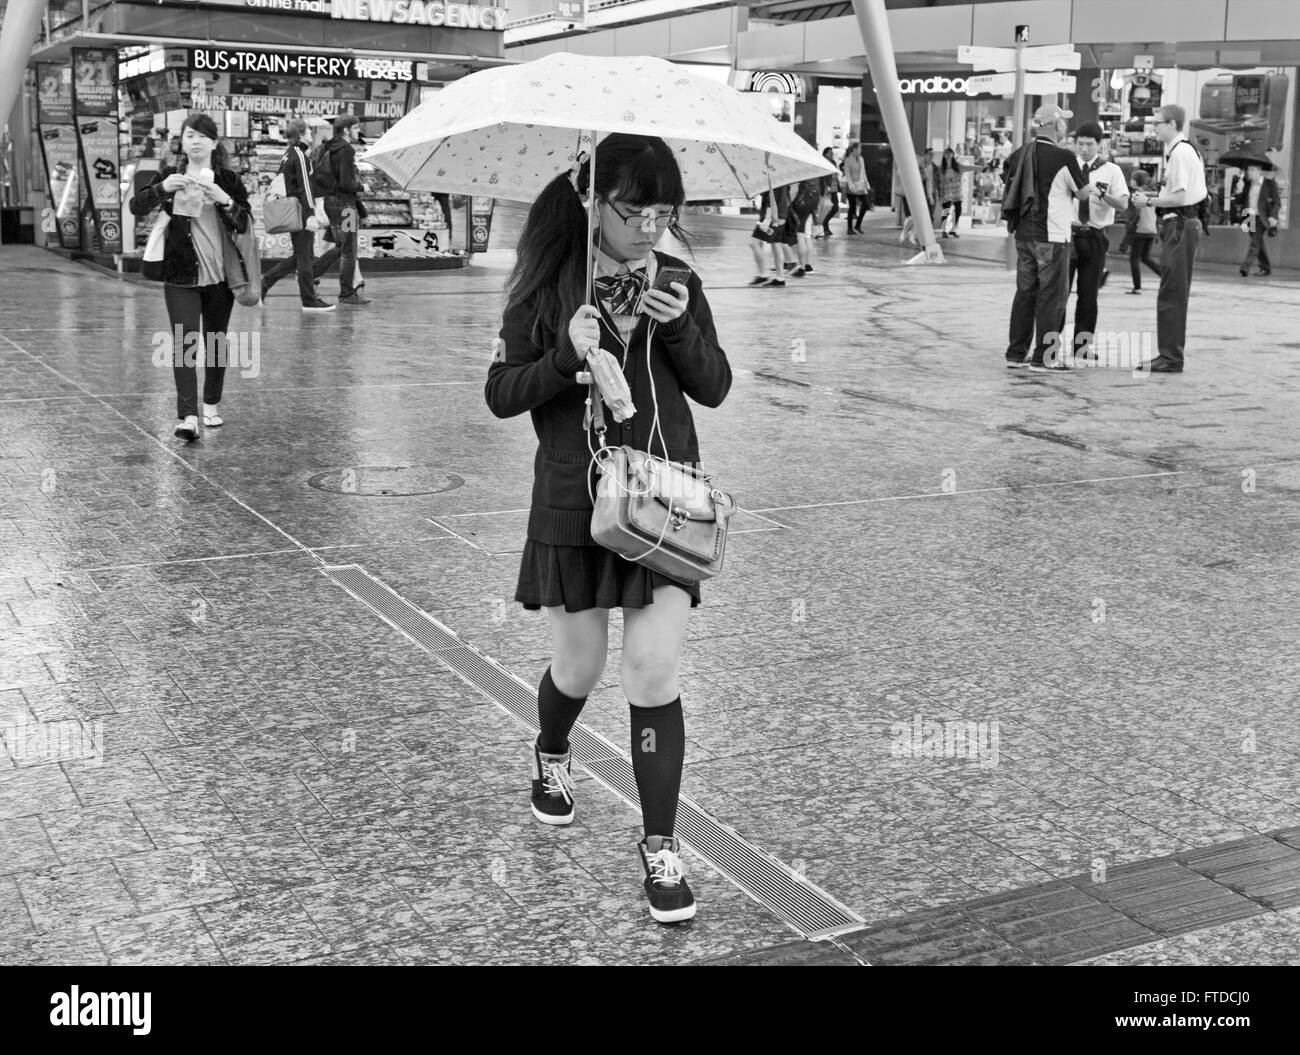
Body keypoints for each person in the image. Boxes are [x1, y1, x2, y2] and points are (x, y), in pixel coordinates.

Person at [485, 133, 732, 925]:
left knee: (652, 671)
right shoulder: (550, 287)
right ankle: (551, 752)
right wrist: (565, 354)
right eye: (633, 211)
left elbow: (716, 386)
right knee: (581, 665)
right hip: (575, 500)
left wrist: (683, 326)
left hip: (664, 499)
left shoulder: (677, 281)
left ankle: (661, 844)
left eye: (664, 213)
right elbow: (501, 391)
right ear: (594, 202)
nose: (650, 228)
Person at [130, 114, 251, 441]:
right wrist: (161, 188)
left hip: (221, 277)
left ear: (214, 142)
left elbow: (244, 222)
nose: (195, 141)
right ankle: (188, 416)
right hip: (180, 275)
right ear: (182, 142)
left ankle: (211, 403)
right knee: (184, 345)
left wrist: (224, 199)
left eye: (201, 136)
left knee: (215, 342)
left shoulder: (227, 179)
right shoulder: (171, 174)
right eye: (189, 136)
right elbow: (136, 206)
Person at [1002, 103, 1095, 372]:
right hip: (1052, 236)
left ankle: (1016, 353)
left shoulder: (1021, 153)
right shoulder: (1064, 157)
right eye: (1063, 122)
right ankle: (1045, 357)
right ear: (1056, 125)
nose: (1065, 126)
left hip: (1024, 235)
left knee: (1025, 294)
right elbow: (1081, 193)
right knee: (1051, 298)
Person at [1130, 104, 1209, 373]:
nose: (1155, 127)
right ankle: (1169, 354)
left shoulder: (1180, 153)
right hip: (1181, 223)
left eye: (1158, 123)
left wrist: (1147, 200)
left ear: (1173, 123)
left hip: (1180, 224)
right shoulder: (1184, 150)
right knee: (1172, 290)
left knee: (1172, 292)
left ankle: (1171, 356)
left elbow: (1179, 196)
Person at [1064, 121, 1128, 359]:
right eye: (1080, 144)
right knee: (1059, 292)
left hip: (1095, 236)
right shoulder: (1067, 167)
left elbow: (1122, 203)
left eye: (1089, 145)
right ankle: (1049, 344)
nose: (1084, 149)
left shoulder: (1111, 170)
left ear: (1099, 145)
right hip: (1068, 235)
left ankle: (1082, 346)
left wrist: (1101, 193)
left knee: (1088, 294)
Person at [260, 118, 333, 311]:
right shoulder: (299, 155)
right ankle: (308, 300)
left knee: (302, 255)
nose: (311, 134)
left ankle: (265, 283)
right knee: (304, 258)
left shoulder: (288, 154)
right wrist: (310, 214)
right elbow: (305, 187)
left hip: (293, 210)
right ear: (301, 134)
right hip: (300, 210)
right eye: (308, 131)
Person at [311, 115, 372, 306]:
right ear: (346, 130)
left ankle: (309, 274)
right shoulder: (346, 150)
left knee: (341, 246)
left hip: (331, 203)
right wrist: (363, 187)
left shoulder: (327, 147)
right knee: (349, 250)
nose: (357, 132)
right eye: (355, 128)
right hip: (345, 206)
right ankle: (346, 294)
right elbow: (346, 183)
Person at [1233, 160, 1280, 277]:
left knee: (1255, 242)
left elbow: (1277, 202)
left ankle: (1245, 267)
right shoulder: (1247, 184)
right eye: (1249, 170)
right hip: (1249, 216)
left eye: (1253, 170)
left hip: (1262, 218)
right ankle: (1266, 268)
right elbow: (1239, 201)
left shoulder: (1269, 184)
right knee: (1258, 243)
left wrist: (1273, 216)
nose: (1250, 173)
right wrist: (1238, 191)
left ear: (1259, 171)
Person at [1124, 170, 1160, 294]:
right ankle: (1165, 276)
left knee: (1134, 258)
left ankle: (1137, 287)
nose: (1130, 181)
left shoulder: (1136, 195)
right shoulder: (1152, 193)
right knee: (1145, 257)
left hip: (1140, 229)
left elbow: (1133, 213)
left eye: (1132, 179)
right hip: (1151, 229)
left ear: (1137, 181)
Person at [748, 183, 791, 287]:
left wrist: (766, 219)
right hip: (780, 214)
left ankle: (763, 274)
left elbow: (772, 199)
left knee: (754, 243)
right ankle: (779, 277)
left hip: (772, 217)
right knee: (776, 244)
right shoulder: (782, 178)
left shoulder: (774, 178)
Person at [937, 146, 974, 238]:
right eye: (946, 153)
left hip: (957, 191)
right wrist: (939, 193)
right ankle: (945, 230)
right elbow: (938, 181)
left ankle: (952, 229)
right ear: (944, 155)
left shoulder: (957, 166)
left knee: (958, 210)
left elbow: (968, 167)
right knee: (946, 211)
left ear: (953, 155)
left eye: (950, 153)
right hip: (946, 192)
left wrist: (980, 168)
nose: (948, 155)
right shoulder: (941, 168)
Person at [787, 178, 819, 276]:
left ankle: (802, 268)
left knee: (800, 236)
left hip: (799, 206)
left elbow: (794, 190)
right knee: (806, 236)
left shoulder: (799, 172)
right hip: (811, 204)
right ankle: (807, 265)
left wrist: (788, 204)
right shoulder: (815, 171)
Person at [841, 142, 869, 233]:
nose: (861, 150)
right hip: (851, 187)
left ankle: (857, 225)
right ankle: (849, 228)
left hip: (861, 186)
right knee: (852, 208)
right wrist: (851, 185)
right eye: (860, 148)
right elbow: (848, 174)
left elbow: (863, 172)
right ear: (855, 149)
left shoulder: (861, 159)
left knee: (865, 205)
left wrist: (866, 184)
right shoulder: (848, 160)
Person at [817, 147, 841, 238]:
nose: (832, 154)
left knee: (835, 208)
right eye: (830, 152)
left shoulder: (834, 162)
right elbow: (823, 176)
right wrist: (825, 187)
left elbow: (835, 174)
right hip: (827, 189)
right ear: (825, 153)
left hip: (834, 188)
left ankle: (825, 223)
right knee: (827, 207)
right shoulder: (822, 162)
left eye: (832, 152)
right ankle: (824, 226)